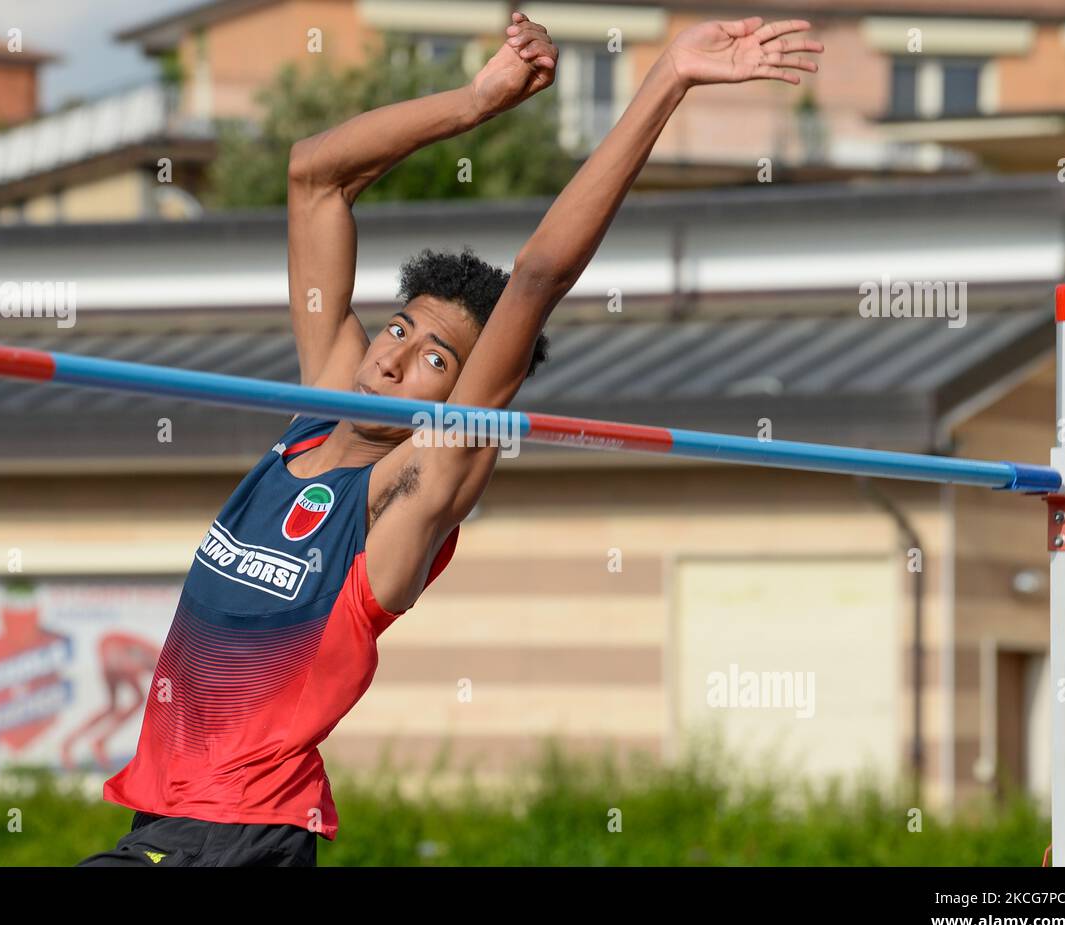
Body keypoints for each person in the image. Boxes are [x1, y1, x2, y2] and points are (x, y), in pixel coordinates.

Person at [77, 11, 821, 867]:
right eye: (397, 329)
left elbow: (537, 277)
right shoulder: (315, 408)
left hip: (237, 836)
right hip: (165, 825)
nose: (393, 358)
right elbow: (314, 178)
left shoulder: (408, 493)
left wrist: (666, 80)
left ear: (454, 402)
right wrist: (474, 101)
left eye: (435, 359)